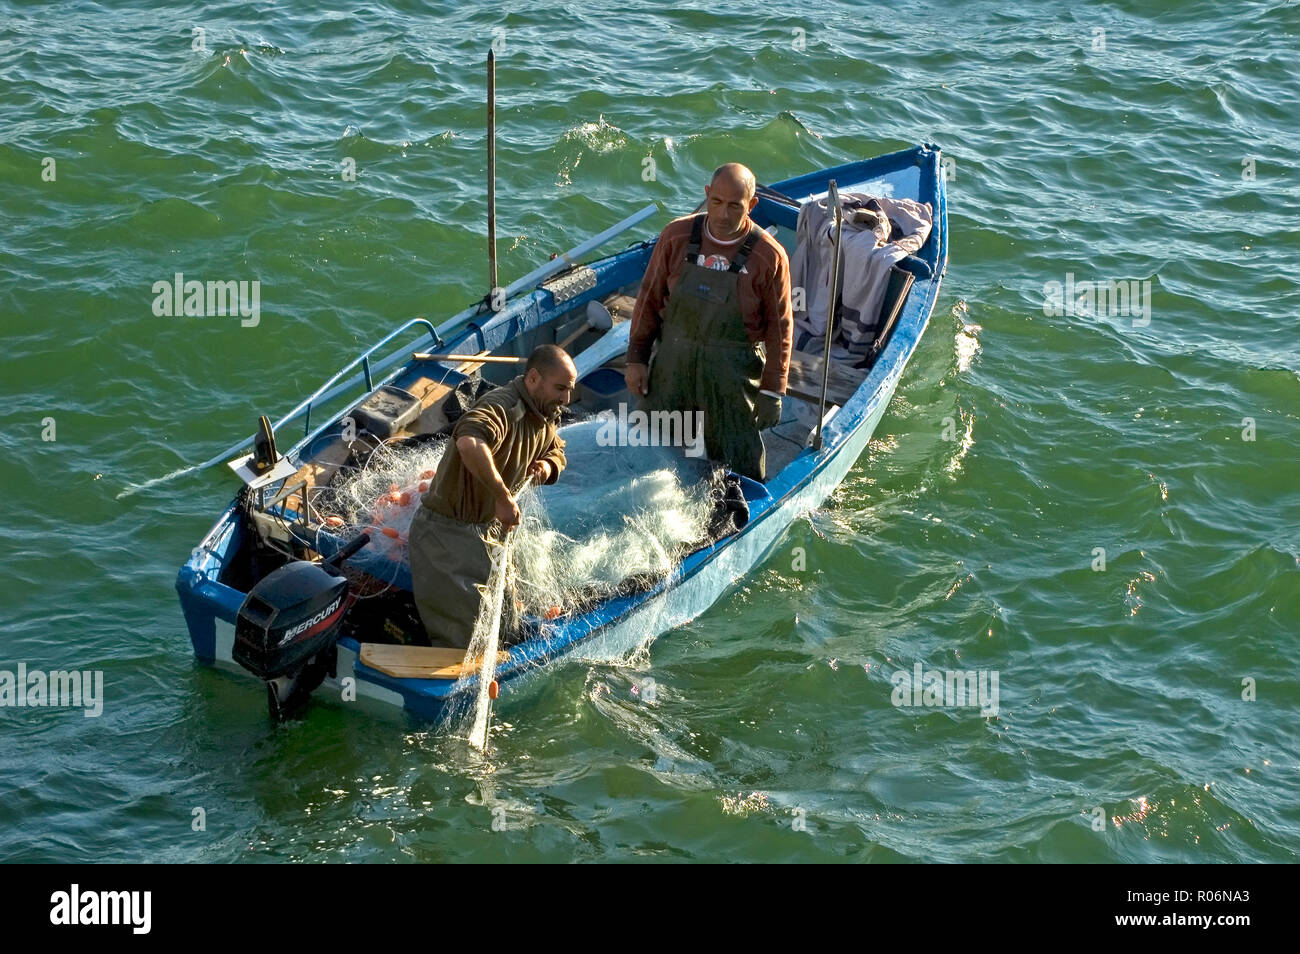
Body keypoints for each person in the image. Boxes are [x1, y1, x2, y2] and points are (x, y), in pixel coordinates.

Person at [623, 162, 793, 482]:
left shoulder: (769, 256)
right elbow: (648, 300)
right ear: (706, 195)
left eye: (734, 206)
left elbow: (780, 329)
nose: (723, 214)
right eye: (716, 202)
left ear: (752, 205)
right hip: (674, 359)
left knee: (739, 459)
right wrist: (636, 359)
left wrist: (773, 390)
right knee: (652, 446)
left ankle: (742, 514)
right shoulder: (676, 235)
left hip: (733, 370)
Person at [408, 344, 574, 649]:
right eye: (560, 388)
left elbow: (556, 449)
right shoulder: (501, 406)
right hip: (449, 535)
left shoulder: (545, 411)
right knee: (465, 643)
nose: (566, 398)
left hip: (491, 533)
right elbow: (469, 443)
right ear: (534, 378)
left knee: (505, 623)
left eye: (570, 389)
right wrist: (501, 495)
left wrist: (547, 465)